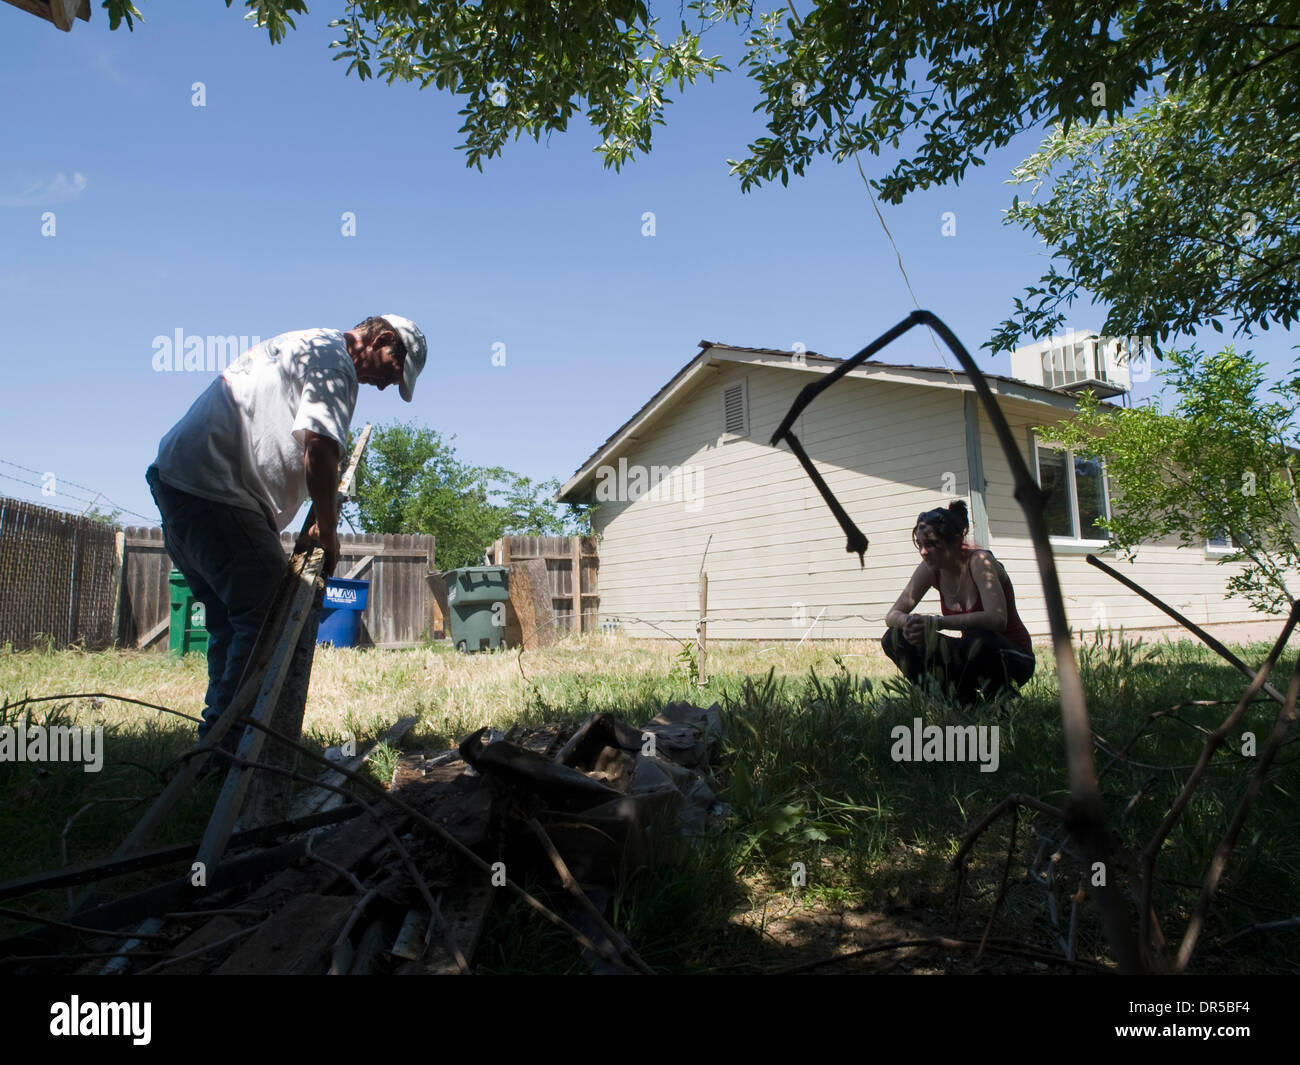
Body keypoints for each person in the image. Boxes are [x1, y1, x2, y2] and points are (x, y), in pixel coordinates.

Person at [146, 315, 428, 746]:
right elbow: (320, 447)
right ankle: (235, 746)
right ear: (382, 338)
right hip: (216, 487)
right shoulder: (334, 363)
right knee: (265, 618)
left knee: (230, 621)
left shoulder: (306, 345)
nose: (387, 385)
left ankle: (216, 741)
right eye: (392, 369)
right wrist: (329, 532)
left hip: (179, 479)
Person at [882, 500, 1035, 706]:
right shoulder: (930, 568)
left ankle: (1003, 703)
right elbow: (892, 615)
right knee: (893, 637)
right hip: (970, 654)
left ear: (955, 541)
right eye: (920, 545)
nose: (923, 552)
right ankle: (959, 704)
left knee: (976, 637)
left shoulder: (980, 561)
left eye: (931, 544)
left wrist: (937, 622)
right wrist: (911, 623)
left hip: (1014, 657)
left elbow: (997, 619)